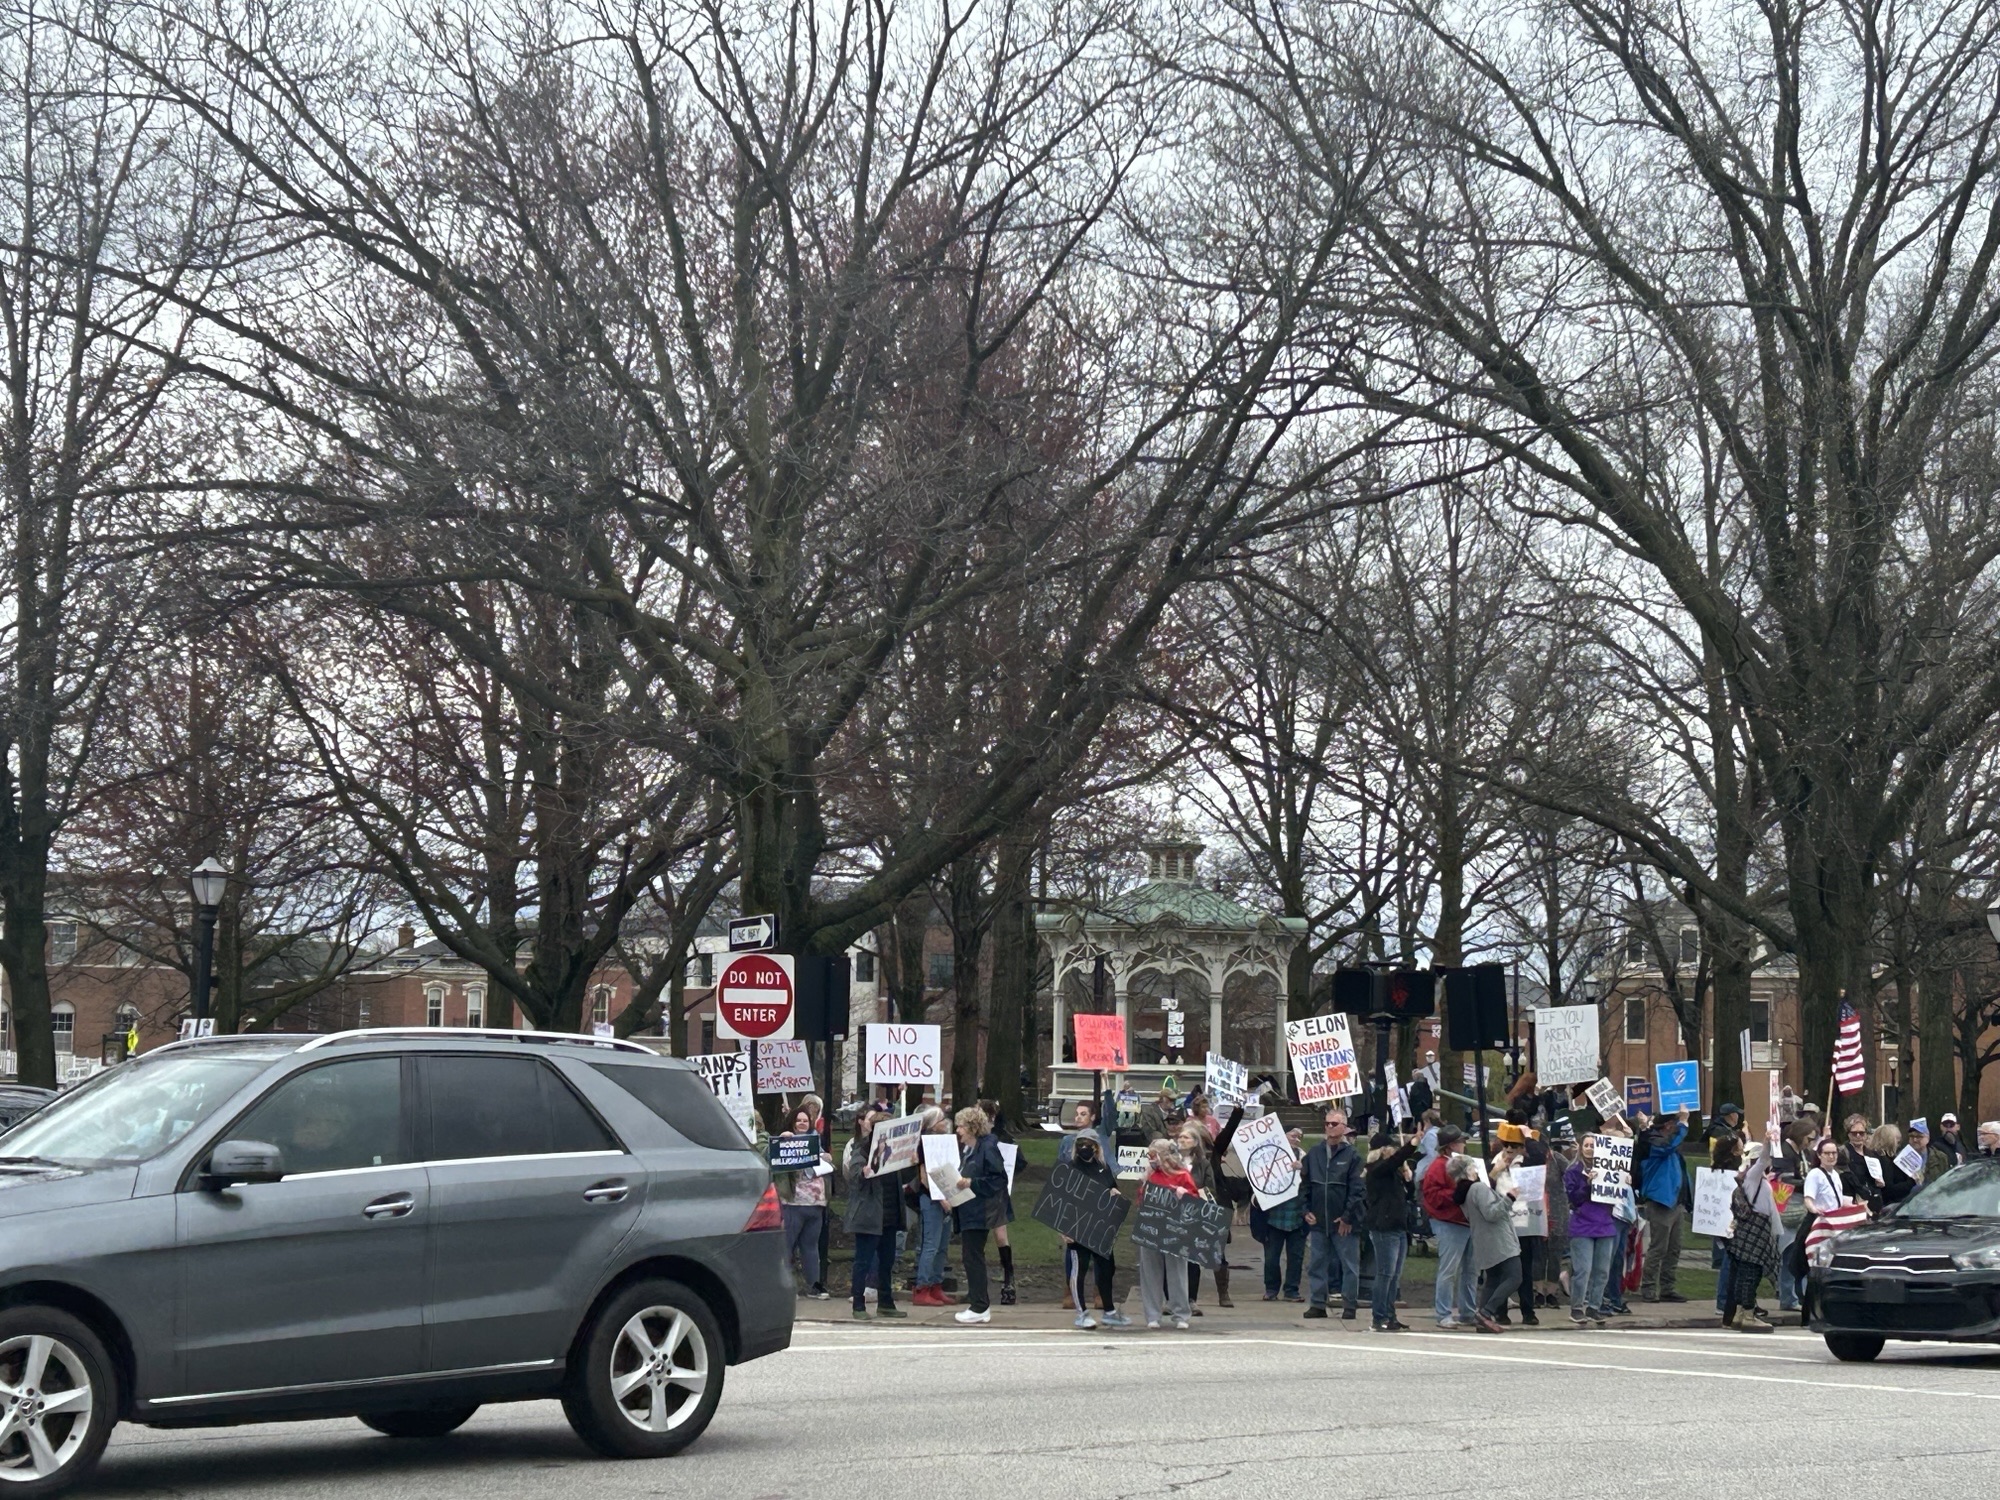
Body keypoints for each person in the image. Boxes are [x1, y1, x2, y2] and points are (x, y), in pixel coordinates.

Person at [841, 1108, 911, 1321]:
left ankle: (886, 1302)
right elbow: (854, 1175)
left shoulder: (893, 1150)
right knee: (863, 1260)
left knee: (887, 1261)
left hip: (889, 1213)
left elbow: (902, 1176)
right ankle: (859, 1304)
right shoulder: (862, 1149)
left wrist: (912, 1162)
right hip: (870, 1214)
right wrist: (863, 1172)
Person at [1062, 1126, 1130, 1329]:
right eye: (1081, 1145)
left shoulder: (1103, 1167)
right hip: (1077, 1226)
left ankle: (1109, 1310)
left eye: (1089, 1145)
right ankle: (1081, 1312)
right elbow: (1061, 1199)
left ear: (1096, 1147)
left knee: (1107, 1268)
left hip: (1100, 1228)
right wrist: (1064, 1228)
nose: (1084, 1148)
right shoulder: (1070, 1168)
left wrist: (1115, 1195)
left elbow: (1112, 1188)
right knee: (1079, 1270)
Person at [1300, 1106, 1363, 1320]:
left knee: (1349, 1265)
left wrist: (1347, 1216)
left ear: (1344, 1127)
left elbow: (1357, 1189)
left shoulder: (1352, 1155)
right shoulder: (1315, 1153)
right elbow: (1305, 1184)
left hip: (1342, 1221)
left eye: (1334, 1124)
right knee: (1317, 1262)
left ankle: (1349, 1305)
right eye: (1327, 1123)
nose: (1329, 1127)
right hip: (1319, 1218)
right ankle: (1317, 1303)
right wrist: (1305, 1209)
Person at [950, 1106, 1009, 1325]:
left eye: (961, 1126)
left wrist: (971, 1182)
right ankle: (978, 1303)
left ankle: (980, 1306)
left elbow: (999, 1179)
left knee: (973, 1256)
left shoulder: (988, 1147)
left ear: (972, 1127)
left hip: (980, 1211)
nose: (958, 1131)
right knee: (971, 1256)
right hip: (969, 1209)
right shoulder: (972, 1149)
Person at [1136, 1138, 1199, 1329]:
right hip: (1151, 1227)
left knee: (1177, 1272)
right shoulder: (1150, 1175)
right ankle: (1152, 1315)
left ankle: (1181, 1314)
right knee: (1150, 1272)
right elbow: (1141, 1200)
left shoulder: (1182, 1175)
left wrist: (1183, 1194)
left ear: (1163, 1155)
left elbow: (1195, 1201)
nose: (1150, 1159)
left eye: (1152, 1155)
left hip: (1174, 1229)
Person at [1458, 1150, 1521, 1334]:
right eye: (1473, 1168)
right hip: (1499, 1242)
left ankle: (1482, 1319)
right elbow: (1492, 1213)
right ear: (1469, 1171)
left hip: (1486, 1242)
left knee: (1493, 1279)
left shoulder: (1468, 1191)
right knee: (1514, 1277)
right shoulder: (1477, 1188)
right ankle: (1486, 1312)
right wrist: (1510, 1198)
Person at [1363, 1128, 1418, 1330]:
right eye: (1391, 1148)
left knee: (1394, 1275)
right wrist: (1411, 1145)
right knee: (1385, 1273)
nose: (1394, 1151)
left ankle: (1390, 1313)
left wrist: (1407, 1179)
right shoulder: (1376, 1169)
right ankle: (1379, 1316)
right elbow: (1393, 1162)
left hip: (1398, 1225)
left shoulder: (1393, 1172)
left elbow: (1407, 1195)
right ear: (1383, 1150)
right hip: (1383, 1226)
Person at [1421, 1125, 1476, 1327]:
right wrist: (1458, 1194)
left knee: (1471, 1270)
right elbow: (1431, 1196)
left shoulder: (1459, 1163)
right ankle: (1443, 1313)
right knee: (1449, 1270)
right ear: (1450, 1145)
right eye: (1461, 1141)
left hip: (1465, 1221)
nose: (1464, 1144)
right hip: (1450, 1222)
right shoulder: (1438, 1166)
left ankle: (1468, 1312)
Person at [1720, 1144, 1778, 1332]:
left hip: (1753, 1231)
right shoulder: (1753, 1177)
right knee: (1750, 1275)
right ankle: (1748, 1315)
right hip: (1755, 1230)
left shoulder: (1754, 1179)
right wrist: (1768, 1140)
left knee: (1745, 1274)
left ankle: (1738, 1314)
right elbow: (1763, 1158)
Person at [776, 1106, 832, 1299]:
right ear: (792, 1122)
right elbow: (771, 1159)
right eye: (798, 1120)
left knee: (810, 1247)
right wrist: (782, 1142)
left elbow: (829, 1162)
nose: (802, 1123)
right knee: (787, 1246)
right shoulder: (785, 1140)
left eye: (805, 1121)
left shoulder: (815, 1141)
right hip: (794, 1203)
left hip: (815, 1204)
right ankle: (785, 1287)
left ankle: (814, 1285)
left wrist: (825, 1156)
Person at [1636, 1106, 1690, 1302]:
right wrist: (1683, 1123)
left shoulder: (1663, 1142)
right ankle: (1648, 1287)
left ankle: (1667, 1286)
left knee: (1674, 1248)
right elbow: (1668, 1146)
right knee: (1659, 1247)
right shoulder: (1653, 1142)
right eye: (1674, 1124)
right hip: (1660, 1201)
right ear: (1668, 1125)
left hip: (1674, 1201)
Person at [1563, 1136, 1618, 1326]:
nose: (1589, 1149)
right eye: (1586, 1145)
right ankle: (1577, 1308)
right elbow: (1574, 1198)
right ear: (1580, 1147)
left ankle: (1594, 1307)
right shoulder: (1573, 1171)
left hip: (1605, 1224)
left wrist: (1625, 1182)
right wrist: (1587, 1184)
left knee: (1602, 1271)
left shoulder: (1609, 1169)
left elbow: (1617, 1194)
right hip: (1582, 1225)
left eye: (1593, 1146)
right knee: (1583, 1270)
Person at [1257, 1132, 1308, 1302]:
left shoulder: (1304, 1157)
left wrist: (1302, 1168)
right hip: (1274, 1217)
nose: (1296, 1138)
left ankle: (1291, 1290)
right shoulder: (1270, 1156)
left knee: (1296, 1257)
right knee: (1271, 1258)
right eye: (1292, 1134)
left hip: (1297, 1216)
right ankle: (1271, 1289)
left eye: (1300, 1135)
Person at [911, 1108, 955, 1306]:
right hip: (931, 1199)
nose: (945, 1122)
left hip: (947, 1196)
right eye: (941, 1119)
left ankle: (937, 1284)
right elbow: (924, 1176)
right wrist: (940, 1198)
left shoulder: (946, 1142)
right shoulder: (924, 1144)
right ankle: (923, 1286)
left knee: (942, 1246)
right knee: (931, 1244)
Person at [1837, 1114, 1883, 1213]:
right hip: (1852, 1200)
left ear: (1866, 1134)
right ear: (1848, 1134)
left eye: (1861, 1133)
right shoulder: (1842, 1152)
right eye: (1854, 1133)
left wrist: (1879, 1182)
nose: (1858, 1136)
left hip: (1872, 1201)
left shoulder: (1872, 1154)